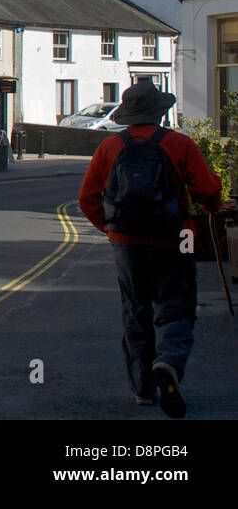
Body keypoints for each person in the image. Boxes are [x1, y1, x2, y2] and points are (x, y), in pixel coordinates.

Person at [77, 81, 222, 418]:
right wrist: (212, 205)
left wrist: (111, 229)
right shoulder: (179, 144)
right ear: (160, 112)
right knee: (178, 306)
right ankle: (168, 361)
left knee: (135, 311)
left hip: (127, 243)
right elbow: (208, 190)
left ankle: (143, 389)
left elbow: (87, 198)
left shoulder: (110, 147)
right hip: (177, 238)